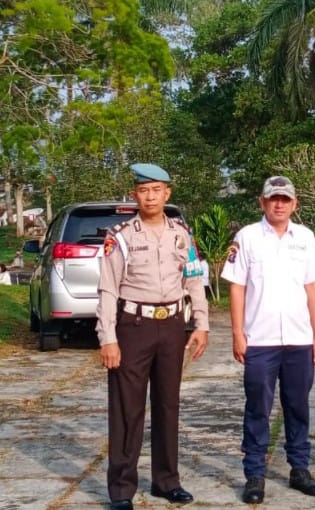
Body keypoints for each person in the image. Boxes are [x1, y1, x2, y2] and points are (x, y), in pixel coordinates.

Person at [96, 163, 210, 510]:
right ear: (136, 195)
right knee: (127, 409)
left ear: (167, 193)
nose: (150, 196)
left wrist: (201, 324)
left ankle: (166, 480)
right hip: (134, 326)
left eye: (156, 190)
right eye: (144, 191)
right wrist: (107, 337)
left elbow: (193, 280)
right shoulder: (122, 236)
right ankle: (121, 488)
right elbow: (107, 289)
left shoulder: (181, 234)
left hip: (172, 325)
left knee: (167, 405)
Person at [221, 175, 315, 505]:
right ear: (262, 202)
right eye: (273, 199)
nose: (279, 204)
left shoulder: (305, 238)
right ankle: (254, 474)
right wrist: (238, 334)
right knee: (258, 409)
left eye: (285, 199)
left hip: (299, 338)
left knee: (298, 407)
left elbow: (313, 287)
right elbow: (236, 287)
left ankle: (299, 469)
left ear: (295, 203)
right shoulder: (247, 237)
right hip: (260, 340)